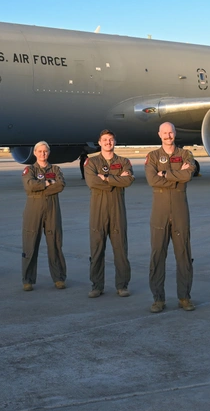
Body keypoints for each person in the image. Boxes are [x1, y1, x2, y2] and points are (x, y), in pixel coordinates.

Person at [145, 122, 196, 313]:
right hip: (159, 211)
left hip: (180, 210)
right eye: (165, 133)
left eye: (171, 132)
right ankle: (158, 299)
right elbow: (152, 179)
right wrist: (177, 177)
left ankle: (184, 297)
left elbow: (188, 175)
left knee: (183, 254)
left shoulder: (185, 154)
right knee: (158, 255)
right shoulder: (152, 156)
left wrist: (165, 173)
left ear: (175, 133)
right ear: (159, 134)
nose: (168, 136)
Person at [84, 129, 134, 297]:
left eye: (111, 139)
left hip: (117, 208)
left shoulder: (123, 161)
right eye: (105, 140)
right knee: (97, 248)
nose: (108, 142)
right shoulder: (91, 162)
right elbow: (92, 182)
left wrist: (105, 178)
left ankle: (122, 285)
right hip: (98, 209)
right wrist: (117, 179)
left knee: (120, 249)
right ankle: (97, 286)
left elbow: (128, 180)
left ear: (115, 142)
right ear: (99, 142)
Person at [20, 142, 67, 291]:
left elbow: (60, 185)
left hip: (52, 207)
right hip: (34, 207)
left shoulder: (55, 169)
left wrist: (40, 186)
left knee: (55, 242)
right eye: (40, 151)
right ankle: (28, 280)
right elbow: (29, 186)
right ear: (35, 153)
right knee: (30, 242)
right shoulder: (29, 170)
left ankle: (59, 278)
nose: (42, 154)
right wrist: (48, 182)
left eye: (45, 151)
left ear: (49, 152)